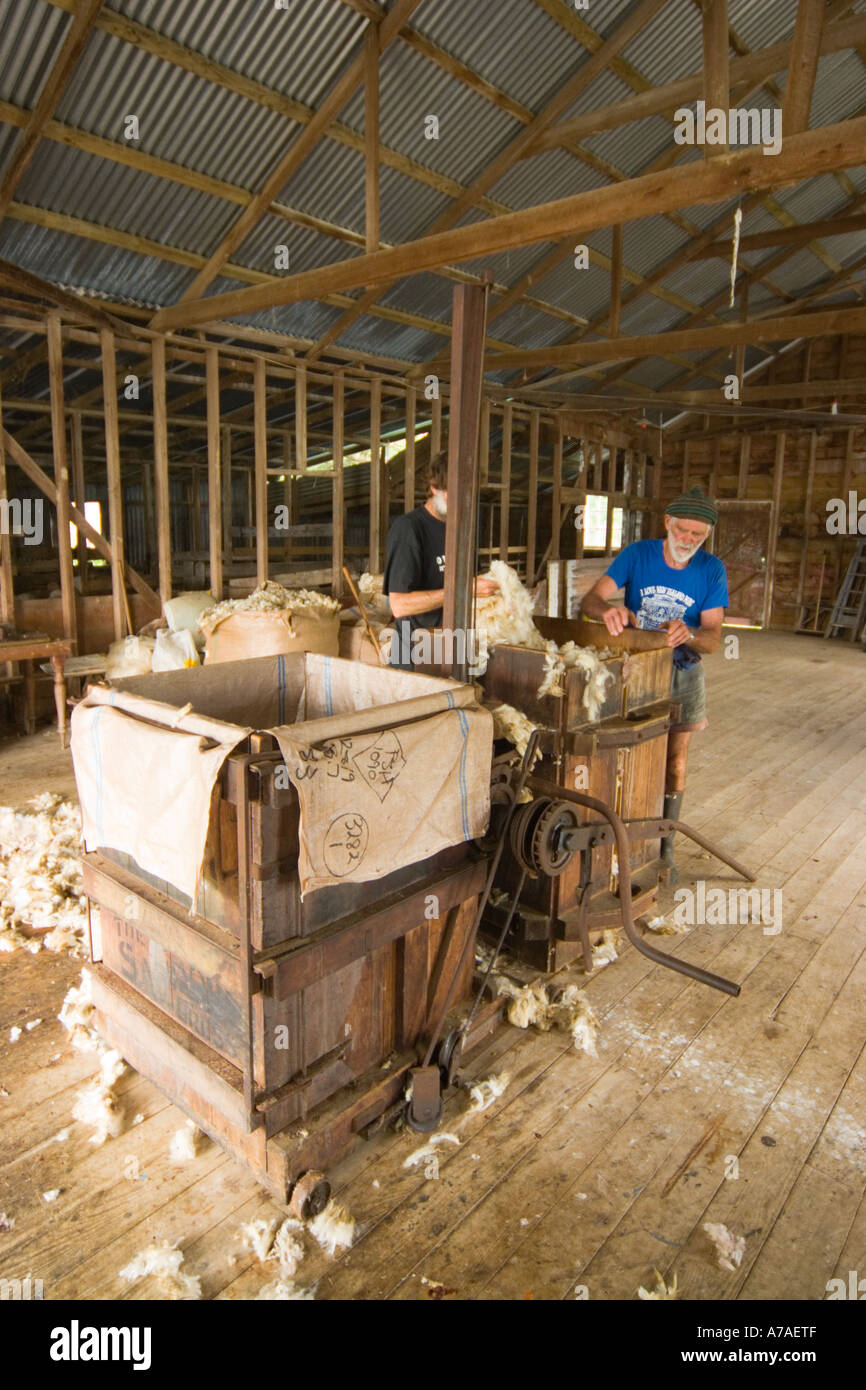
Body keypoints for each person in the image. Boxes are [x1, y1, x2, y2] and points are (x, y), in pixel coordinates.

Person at [580, 486, 728, 881]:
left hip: (683, 672)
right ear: (667, 523)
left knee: (674, 763)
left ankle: (665, 849)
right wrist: (608, 612)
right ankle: (617, 839)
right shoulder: (637, 555)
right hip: (636, 670)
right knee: (622, 755)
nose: (688, 540)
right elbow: (590, 601)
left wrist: (689, 633)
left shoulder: (711, 570)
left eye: (698, 535)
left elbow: (713, 638)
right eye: (682, 531)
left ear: (707, 535)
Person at [383, 451, 498, 670]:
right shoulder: (409, 530)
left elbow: (468, 583)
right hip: (415, 656)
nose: (462, 502)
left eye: (468, 494)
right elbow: (399, 605)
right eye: (453, 494)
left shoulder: (462, 530)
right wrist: (464, 590)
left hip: (453, 649)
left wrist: (496, 580)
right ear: (434, 488)